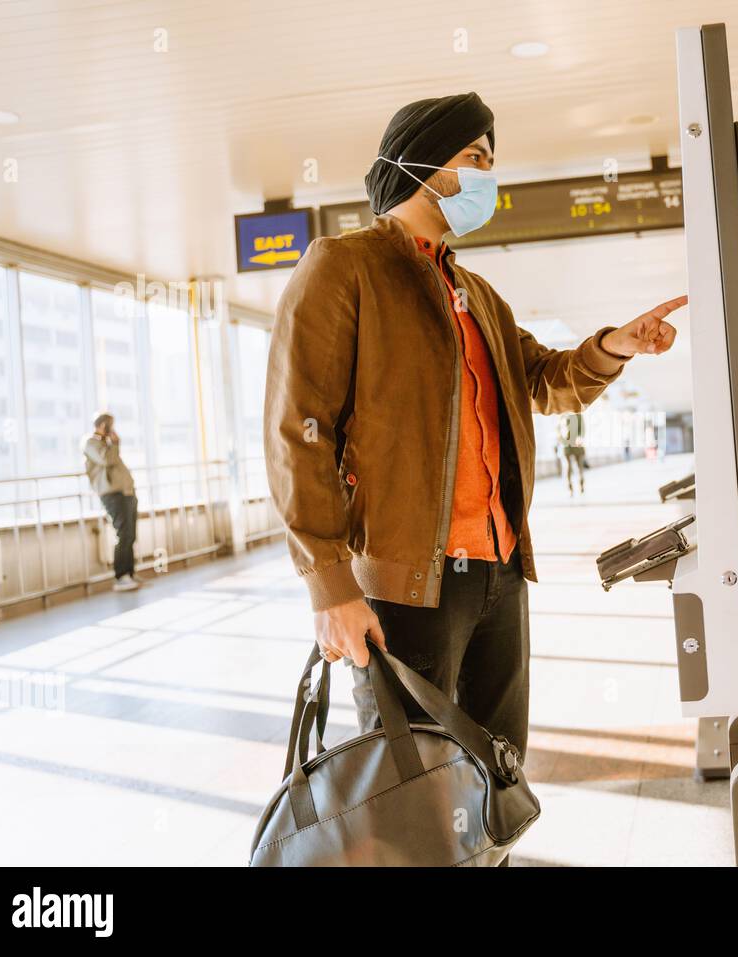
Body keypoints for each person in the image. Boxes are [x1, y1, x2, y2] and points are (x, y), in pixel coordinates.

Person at [264, 92, 684, 776]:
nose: (490, 175)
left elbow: (545, 379)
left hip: (500, 575)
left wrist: (616, 343)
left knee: (498, 777)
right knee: (414, 791)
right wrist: (330, 586)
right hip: (406, 588)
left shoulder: (478, 295)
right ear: (422, 163)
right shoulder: (344, 268)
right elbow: (296, 431)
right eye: (476, 157)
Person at [83, 412, 143, 592]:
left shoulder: (107, 445)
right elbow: (107, 460)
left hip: (127, 493)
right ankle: (121, 576)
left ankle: (130, 573)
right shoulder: (92, 443)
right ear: (101, 425)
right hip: (113, 495)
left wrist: (112, 443)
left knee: (131, 534)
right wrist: (115, 444)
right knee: (123, 533)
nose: (111, 429)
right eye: (108, 425)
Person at [559, 413, 586, 496]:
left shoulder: (578, 414)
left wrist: (579, 438)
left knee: (579, 466)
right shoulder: (562, 413)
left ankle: (581, 484)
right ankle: (570, 488)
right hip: (566, 444)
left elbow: (582, 429)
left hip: (576, 442)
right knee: (567, 466)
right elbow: (558, 428)